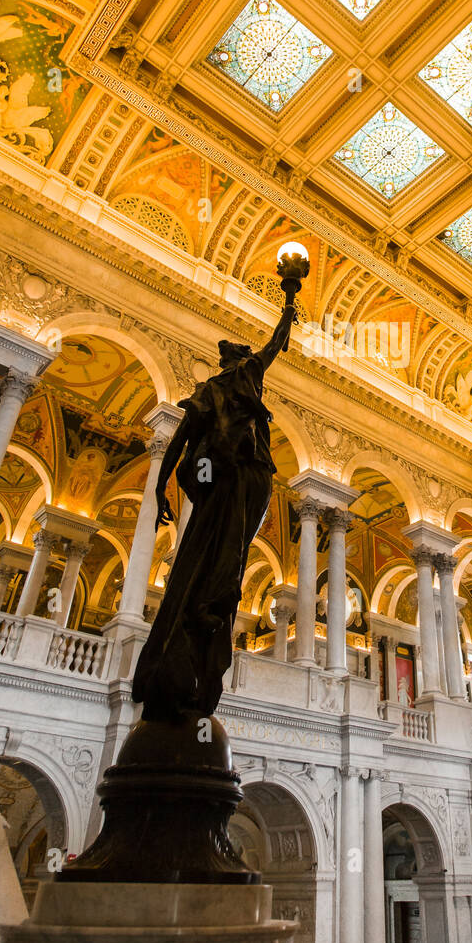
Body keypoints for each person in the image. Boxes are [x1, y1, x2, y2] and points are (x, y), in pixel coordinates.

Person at [132, 295, 297, 720]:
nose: (247, 362)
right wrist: (289, 306)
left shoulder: (211, 390)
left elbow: (179, 440)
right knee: (225, 548)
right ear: (239, 361)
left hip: (233, 477)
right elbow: (275, 346)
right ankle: (210, 604)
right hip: (241, 476)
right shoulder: (241, 378)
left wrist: (161, 488)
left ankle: (211, 604)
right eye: (244, 357)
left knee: (223, 548)